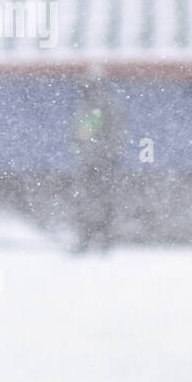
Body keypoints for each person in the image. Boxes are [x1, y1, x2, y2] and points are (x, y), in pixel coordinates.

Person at [70, 72, 124, 254]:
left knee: (91, 201)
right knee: (102, 201)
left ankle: (89, 239)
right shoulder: (102, 106)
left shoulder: (95, 108)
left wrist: (90, 152)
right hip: (101, 162)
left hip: (95, 163)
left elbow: (84, 135)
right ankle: (101, 240)